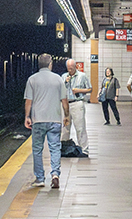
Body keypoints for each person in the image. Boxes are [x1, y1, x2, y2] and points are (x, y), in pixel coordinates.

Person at [23, 54, 70, 191]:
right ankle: (55, 174)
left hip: (38, 120)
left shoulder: (32, 79)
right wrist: (66, 115)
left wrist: (27, 117)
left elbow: (28, 101)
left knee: (37, 149)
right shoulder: (58, 79)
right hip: (55, 119)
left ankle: (40, 178)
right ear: (50, 64)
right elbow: (64, 100)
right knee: (55, 148)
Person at [66, 60, 91, 152]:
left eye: (71, 68)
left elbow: (90, 89)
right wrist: (65, 82)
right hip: (65, 103)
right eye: (68, 68)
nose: (70, 70)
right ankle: (64, 147)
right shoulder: (64, 76)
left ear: (75, 66)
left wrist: (79, 90)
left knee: (80, 127)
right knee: (65, 128)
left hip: (77, 102)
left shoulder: (82, 76)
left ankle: (84, 149)